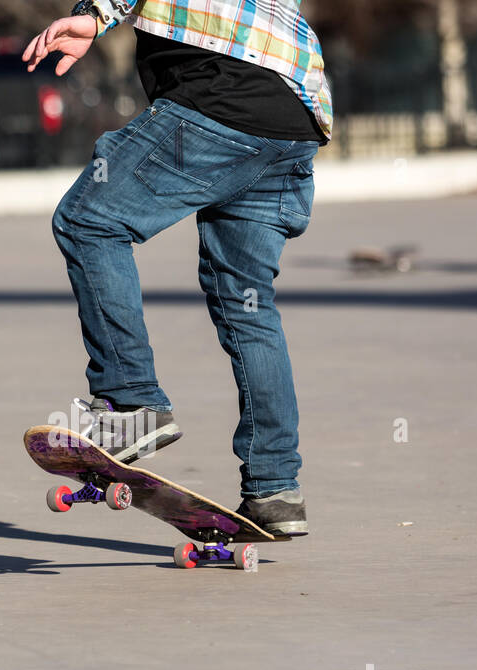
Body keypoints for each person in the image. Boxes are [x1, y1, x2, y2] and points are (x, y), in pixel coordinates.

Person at [24, 0, 332, 536]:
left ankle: (132, 402)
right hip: (293, 114)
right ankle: (276, 487)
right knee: (247, 305)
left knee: (88, 222)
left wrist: (95, 15)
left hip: (219, 98)